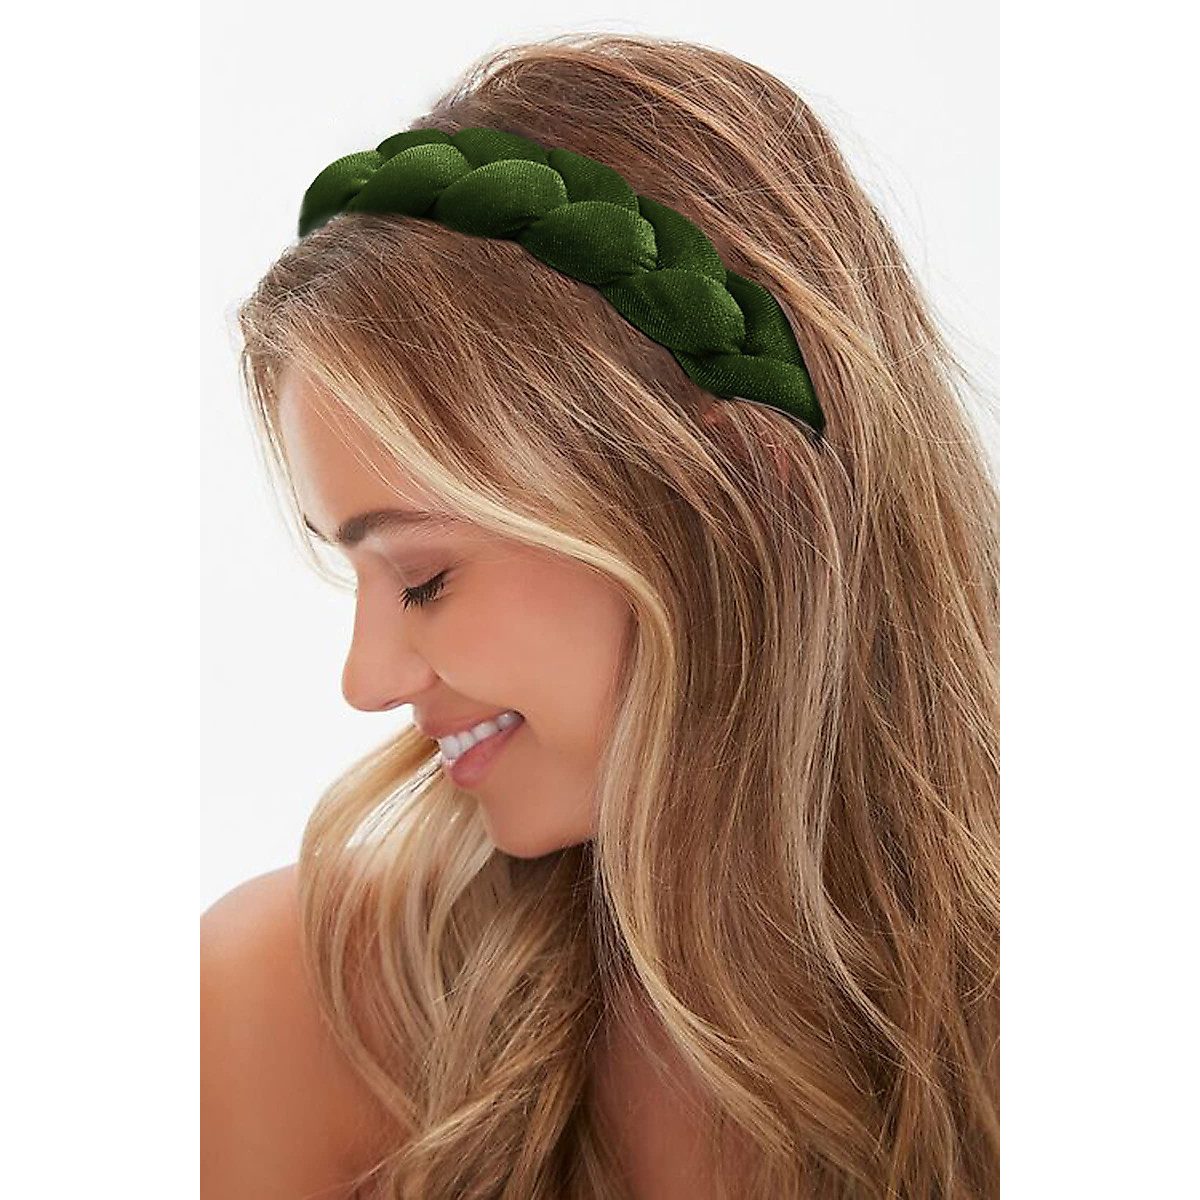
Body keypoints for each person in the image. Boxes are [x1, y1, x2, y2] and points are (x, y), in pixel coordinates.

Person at [201, 30, 999, 1200]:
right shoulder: (294, 1015)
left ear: (742, 492)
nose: (366, 681)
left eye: (423, 577)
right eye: (354, 575)